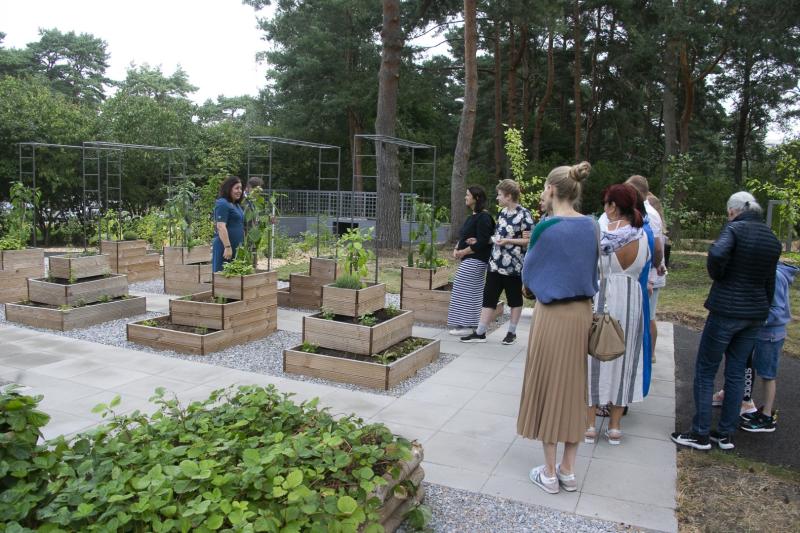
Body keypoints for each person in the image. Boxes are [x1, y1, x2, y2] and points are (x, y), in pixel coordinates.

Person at [672, 192, 781, 451]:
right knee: (736, 371)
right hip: (754, 313)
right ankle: (725, 434)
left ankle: (699, 434)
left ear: (733, 211)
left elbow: (717, 253)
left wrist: (720, 275)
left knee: (706, 369)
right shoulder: (771, 237)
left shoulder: (734, 229)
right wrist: (763, 306)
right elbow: (770, 280)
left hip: (726, 310)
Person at [517, 161, 598, 494]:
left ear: (551, 189)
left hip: (551, 315)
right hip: (582, 313)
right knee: (575, 388)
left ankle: (549, 473)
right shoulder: (593, 226)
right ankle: (568, 470)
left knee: (549, 386)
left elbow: (529, 277)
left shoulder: (544, 228)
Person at [585, 184, 650, 445]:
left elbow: (593, 265)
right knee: (626, 359)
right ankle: (614, 427)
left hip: (605, 296)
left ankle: (590, 425)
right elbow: (650, 263)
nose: (604, 207)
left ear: (613, 205)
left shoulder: (602, 234)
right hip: (633, 298)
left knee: (594, 357)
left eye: (606, 203)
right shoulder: (643, 235)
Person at [711, 262, 798, 433]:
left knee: (767, 374)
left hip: (771, 334)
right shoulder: (765, 271)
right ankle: (738, 399)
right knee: (745, 364)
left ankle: (766, 416)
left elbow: (777, 310)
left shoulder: (776, 276)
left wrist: (754, 320)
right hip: (760, 331)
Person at [461, 179, 534, 345]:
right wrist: (482, 241)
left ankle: (511, 332)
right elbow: (497, 237)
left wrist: (508, 241)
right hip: (495, 264)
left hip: (513, 267)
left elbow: (528, 242)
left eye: (500, 195)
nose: (497, 198)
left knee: (514, 299)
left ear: (508, 196)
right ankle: (480, 333)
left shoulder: (524, 215)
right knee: (489, 297)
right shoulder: (501, 214)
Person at [625, 175, 665, 363]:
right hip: (638, 274)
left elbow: (656, 248)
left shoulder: (650, 213)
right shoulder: (633, 210)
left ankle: (649, 354)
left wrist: (650, 276)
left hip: (648, 275)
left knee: (648, 317)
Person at [447, 186, 495, 335]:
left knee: (466, 291)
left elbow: (482, 242)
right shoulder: (471, 217)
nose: (465, 197)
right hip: (468, 259)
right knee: (466, 291)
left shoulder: (484, 217)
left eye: (468, 195)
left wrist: (463, 252)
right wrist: (456, 249)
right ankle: (468, 324)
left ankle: (467, 326)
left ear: (477, 198)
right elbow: (463, 237)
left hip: (477, 260)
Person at [211, 176, 245, 273]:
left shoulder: (236, 205)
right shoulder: (222, 203)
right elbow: (221, 226)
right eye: (236, 188)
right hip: (225, 247)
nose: (240, 191)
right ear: (229, 188)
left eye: (241, 188)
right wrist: (227, 247)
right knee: (222, 276)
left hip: (236, 247)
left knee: (234, 277)